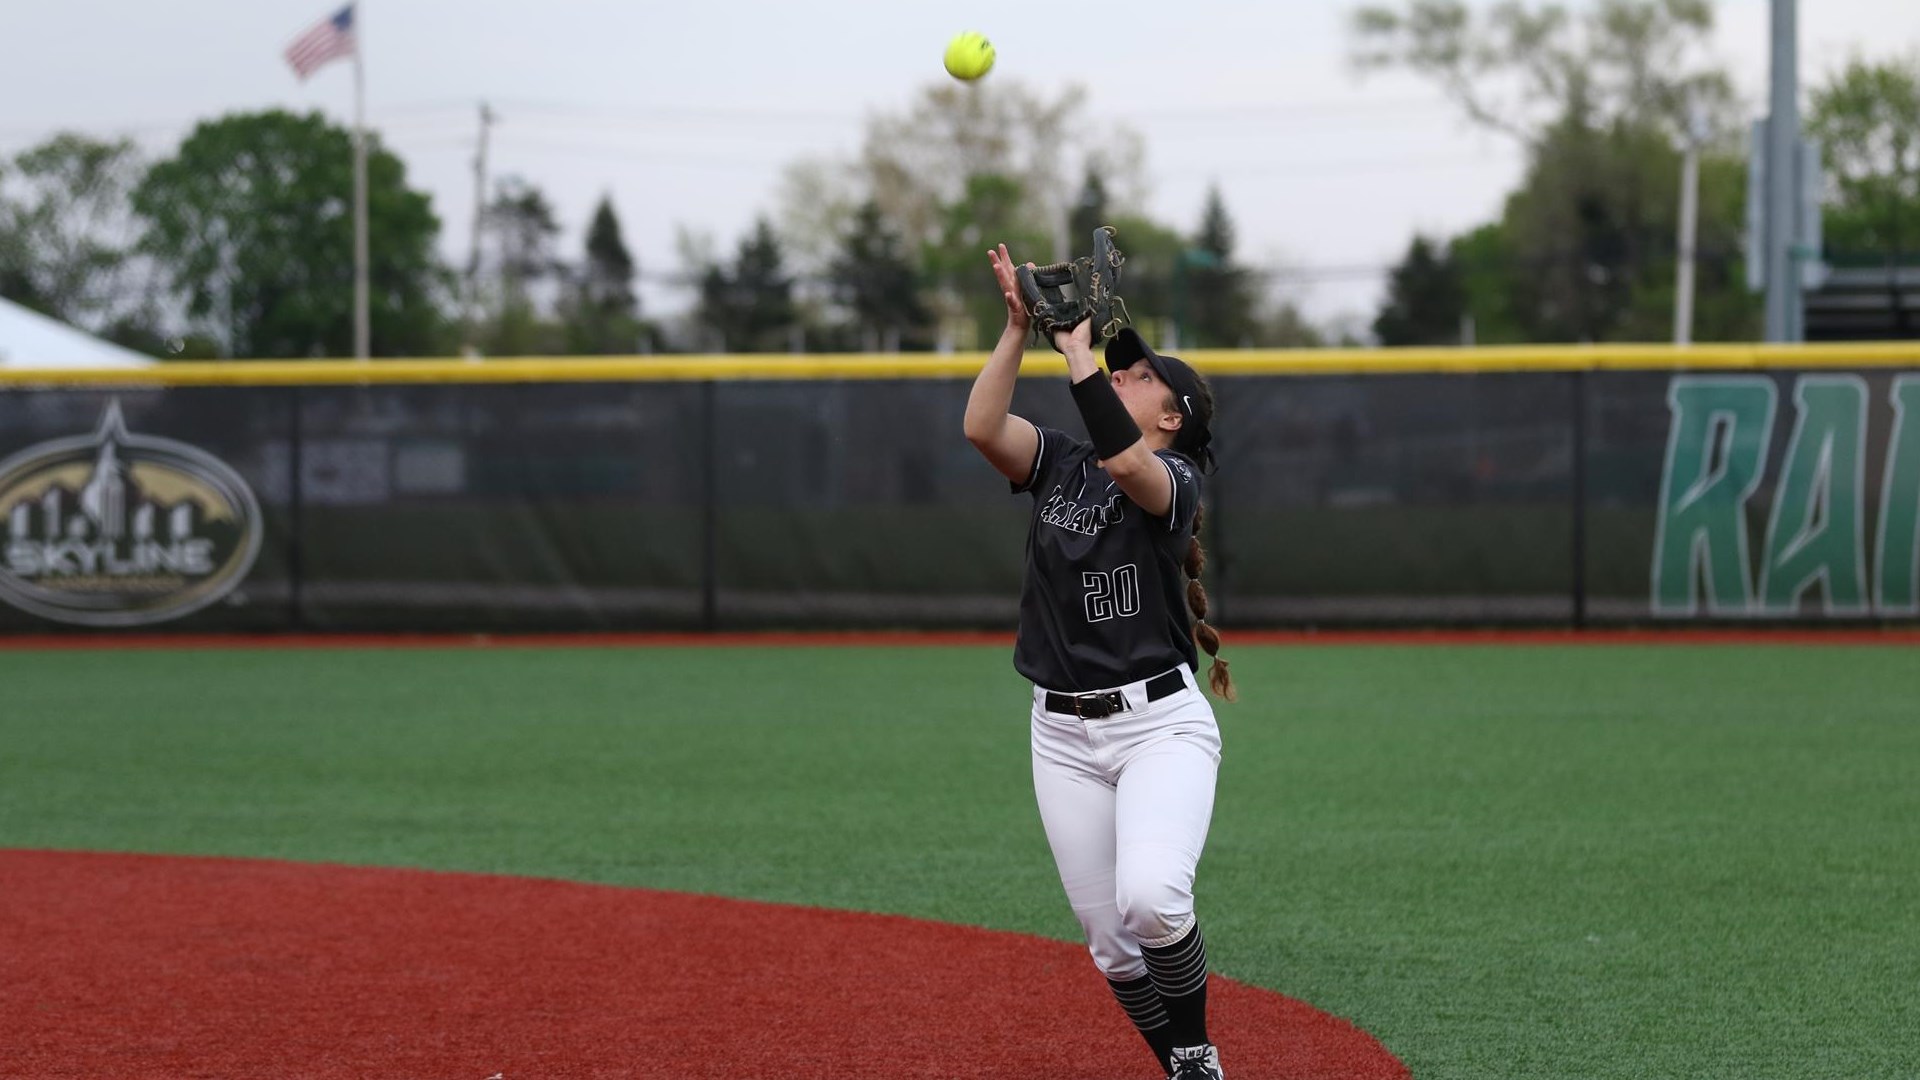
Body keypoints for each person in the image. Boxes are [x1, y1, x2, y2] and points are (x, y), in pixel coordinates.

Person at [963, 243, 1238, 1080]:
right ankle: (1184, 1070)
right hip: (1060, 734)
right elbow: (981, 427)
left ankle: (1195, 1057)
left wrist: (1081, 353)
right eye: (1120, 365)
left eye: (1142, 374)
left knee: (1152, 901)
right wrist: (1016, 330)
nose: (1124, 373)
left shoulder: (1174, 477)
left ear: (1173, 417)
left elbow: (1128, 463)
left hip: (1159, 726)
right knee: (1113, 950)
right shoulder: (1062, 461)